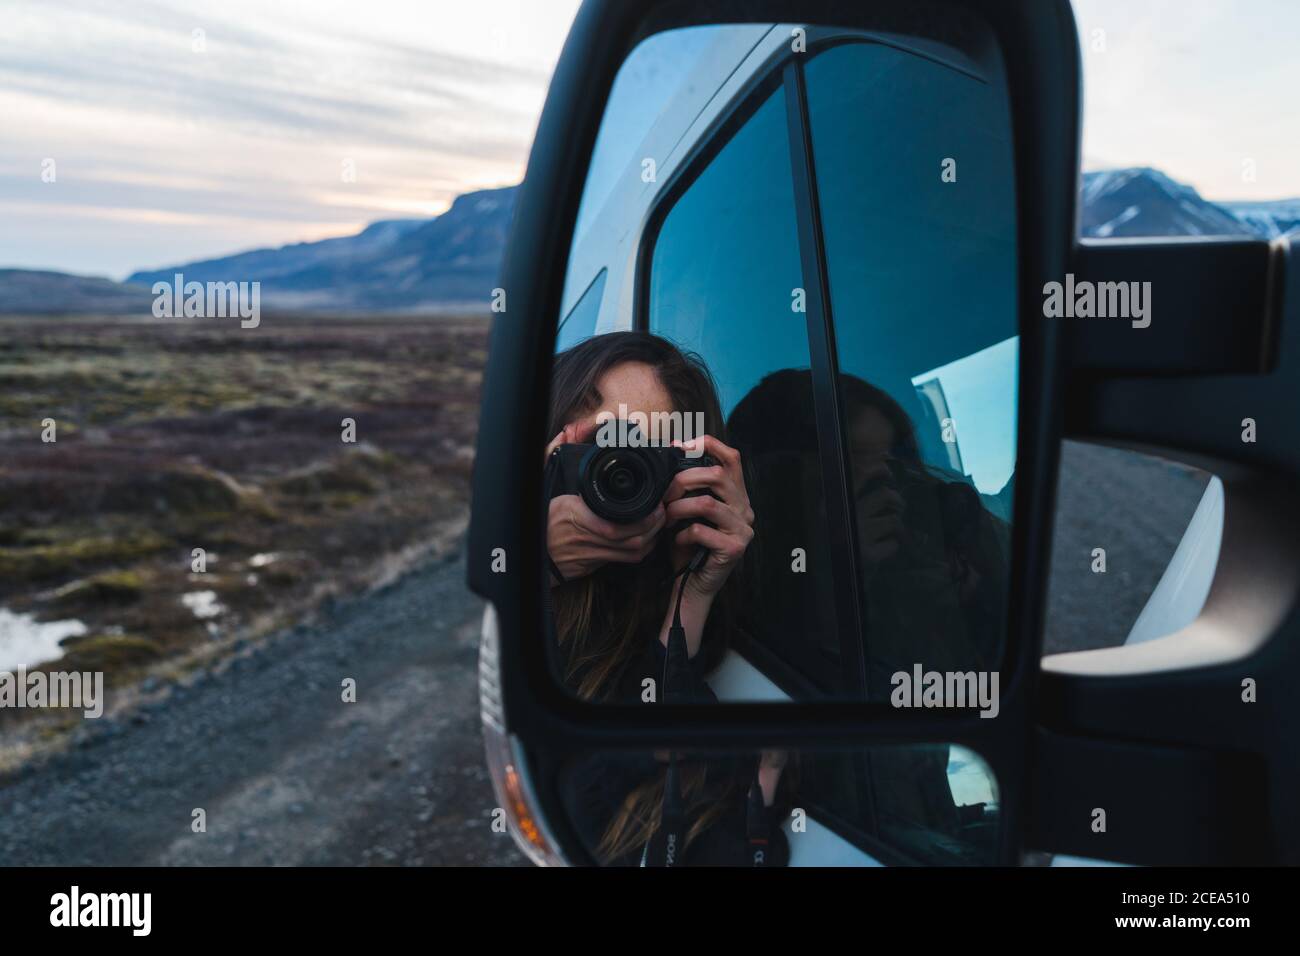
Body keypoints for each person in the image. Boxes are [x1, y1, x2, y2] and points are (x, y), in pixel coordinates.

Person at [544, 331, 791, 865]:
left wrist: (695, 591)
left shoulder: (659, 592)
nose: (619, 469)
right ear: (550, 445)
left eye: (645, 455)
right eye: (602, 438)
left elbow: (664, 821)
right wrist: (537, 565)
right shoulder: (500, 589)